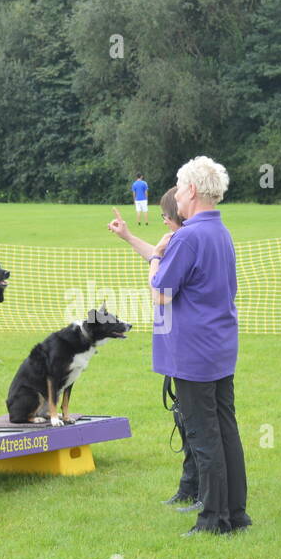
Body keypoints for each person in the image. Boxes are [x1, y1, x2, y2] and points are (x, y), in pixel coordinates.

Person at [147, 156, 249, 536]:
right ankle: (236, 512)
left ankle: (213, 519)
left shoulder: (188, 236)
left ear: (190, 189)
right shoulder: (220, 231)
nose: (176, 191)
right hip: (220, 346)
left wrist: (157, 254)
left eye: (178, 183)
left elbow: (160, 293)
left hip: (194, 350)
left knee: (204, 436)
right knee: (225, 430)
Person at [108, 188, 198, 509]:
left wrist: (157, 258)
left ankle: (196, 488)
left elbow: (158, 284)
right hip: (178, 340)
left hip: (184, 340)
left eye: (164, 215)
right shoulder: (182, 238)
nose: (162, 221)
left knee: (193, 421)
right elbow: (156, 255)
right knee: (184, 417)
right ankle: (190, 485)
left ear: (174, 215)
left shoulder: (186, 240)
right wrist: (129, 237)